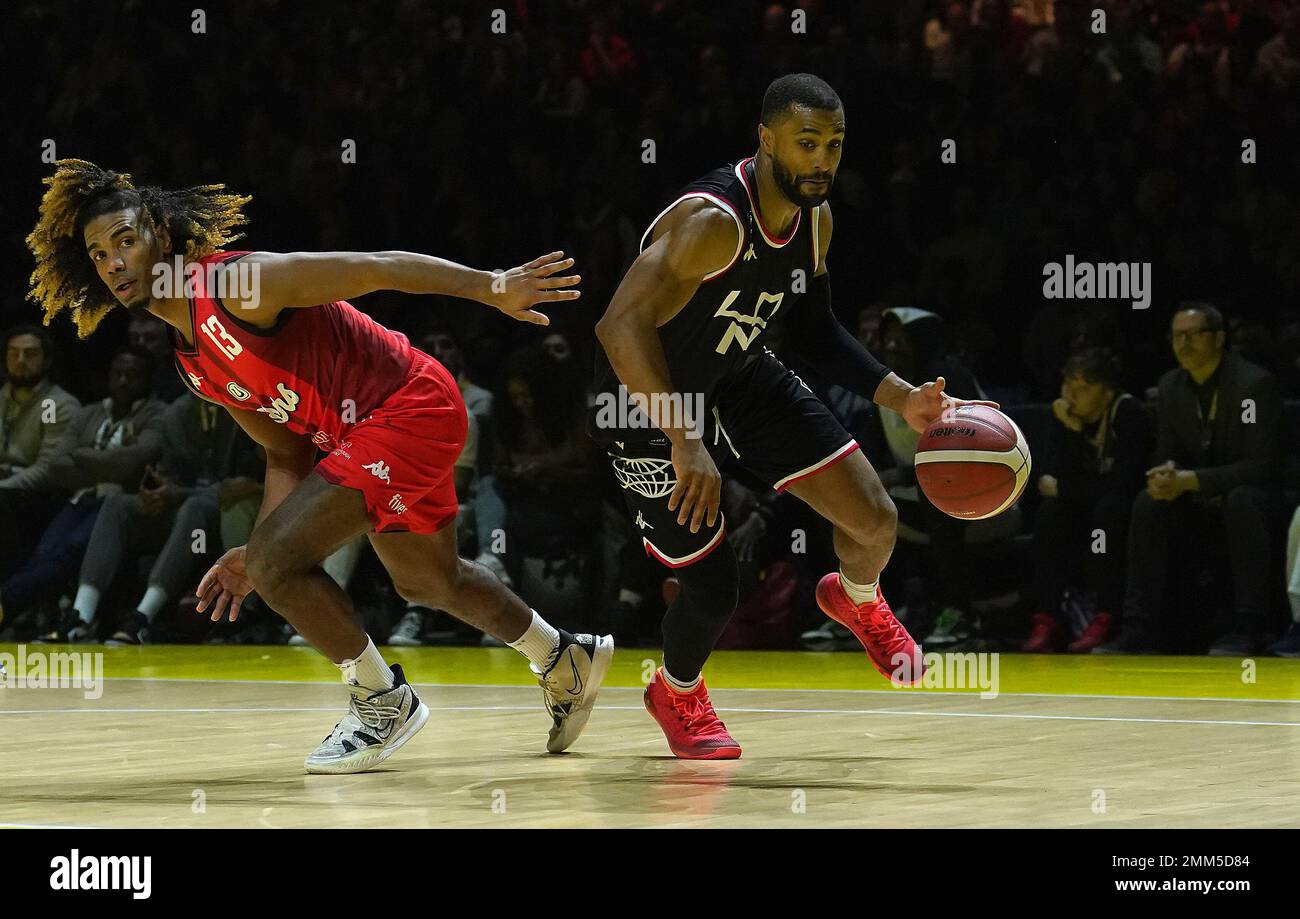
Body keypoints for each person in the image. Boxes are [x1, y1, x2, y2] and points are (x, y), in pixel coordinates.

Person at [27, 158, 612, 773]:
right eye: (99, 254)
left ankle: (382, 703)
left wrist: (489, 285)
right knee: (427, 581)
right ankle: (562, 656)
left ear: (163, 238)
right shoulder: (193, 364)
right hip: (368, 436)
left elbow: (373, 267)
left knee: (280, 561)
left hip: (409, 408)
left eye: (125, 240)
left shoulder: (237, 285)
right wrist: (261, 548)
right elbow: (284, 452)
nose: (114, 262)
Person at [590, 74, 993, 759]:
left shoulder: (816, 221)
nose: (822, 161)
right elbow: (617, 328)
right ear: (767, 139)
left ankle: (856, 599)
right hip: (646, 395)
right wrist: (684, 437)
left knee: (874, 517)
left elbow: (811, 332)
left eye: (834, 145)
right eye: (807, 143)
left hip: (737, 371)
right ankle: (676, 690)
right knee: (715, 586)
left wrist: (902, 395)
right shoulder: (712, 223)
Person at [1098, 303, 1283, 655]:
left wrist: (1192, 480)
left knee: (1243, 499)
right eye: (1177, 335)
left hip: (1253, 500)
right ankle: (1141, 626)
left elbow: (1263, 466)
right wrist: (1165, 474)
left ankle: (1250, 626)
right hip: (1199, 498)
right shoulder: (1171, 386)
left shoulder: (1253, 384)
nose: (1183, 343)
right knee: (1148, 502)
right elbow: (1167, 451)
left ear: (1218, 339)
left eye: (1193, 334)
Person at [7, 348, 166, 639]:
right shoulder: (89, 412)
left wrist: (81, 455)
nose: (123, 381)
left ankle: (11, 607)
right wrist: (110, 462)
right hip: (79, 499)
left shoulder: (157, 413)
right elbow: (56, 466)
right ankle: (25, 612)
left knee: (66, 554)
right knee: (43, 555)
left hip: (119, 505)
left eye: (132, 375)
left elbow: (134, 464)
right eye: (117, 374)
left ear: (148, 380)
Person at [1025, 347, 1150, 652]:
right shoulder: (1064, 415)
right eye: (1068, 385)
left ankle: (1105, 616)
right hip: (1085, 505)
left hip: (1123, 510)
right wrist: (1071, 432)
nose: (1071, 395)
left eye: (1083, 388)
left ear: (1107, 394)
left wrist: (1068, 488)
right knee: (1050, 514)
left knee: (1108, 512)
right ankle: (1048, 617)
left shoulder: (1128, 413)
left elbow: (1124, 483)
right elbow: (1048, 479)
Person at [0, 324, 81, 582]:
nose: (20, 361)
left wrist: (3, 487)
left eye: (30, 354)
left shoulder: (61, 404)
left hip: (38, 496)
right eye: (13, 353)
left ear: (46, 360)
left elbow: (47, 470)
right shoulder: (1, 398)